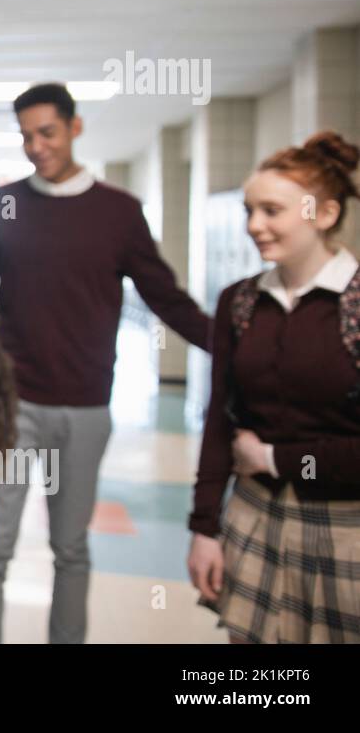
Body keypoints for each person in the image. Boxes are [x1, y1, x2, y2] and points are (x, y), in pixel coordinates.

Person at [0, 82, 211, 644]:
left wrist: (230, 344)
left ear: (76, 127)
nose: (36, 146)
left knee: (70, 549)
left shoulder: (119, 213)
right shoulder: (7, 204)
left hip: (87, 408)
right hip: (12, 404)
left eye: (46, 132)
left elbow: (164, 296)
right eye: (25, 136)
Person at [188, 131, 360, 643]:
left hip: (346, 526)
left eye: (271, 210)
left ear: (324, 215)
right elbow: (220, 418)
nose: (253, 226)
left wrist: (273, 458)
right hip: (254, 516)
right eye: (248, 210)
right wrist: (203, 528)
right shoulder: (239, 303)